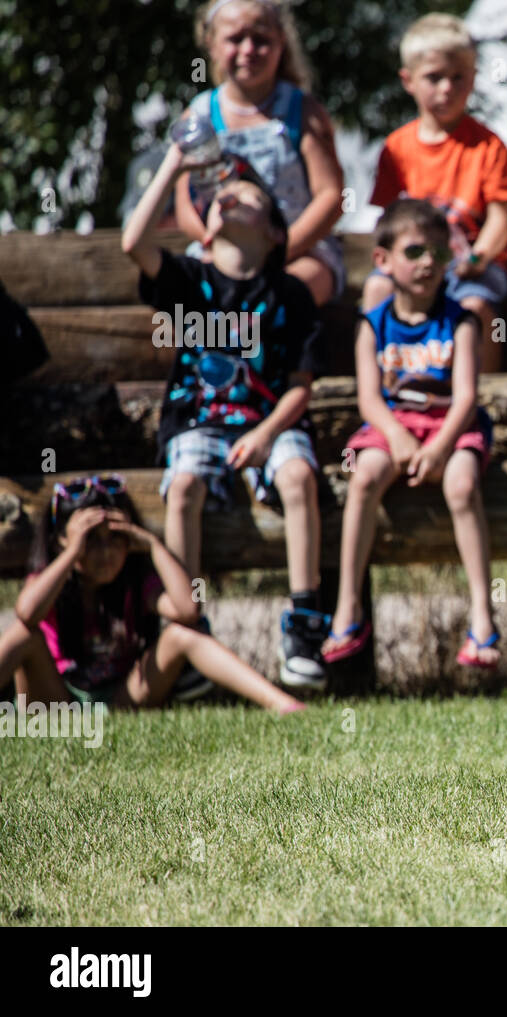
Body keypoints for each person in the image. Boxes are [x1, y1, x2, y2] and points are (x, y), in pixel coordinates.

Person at [122, 144, 330, 689]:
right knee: (184, 486)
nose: (230, 194)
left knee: (299, 476)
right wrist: (173, 167)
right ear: (207, 228)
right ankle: (193, 637)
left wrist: (265, 435)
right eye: (221, 195)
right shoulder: (189, 281)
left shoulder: (290, 295)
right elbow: (133, 243)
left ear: (275, 232)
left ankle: (305, 630)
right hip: (197, 424)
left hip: (271, 423)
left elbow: (299, 388)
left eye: (249, 194)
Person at [322, 200, 499, 669]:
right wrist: (399, 440)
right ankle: (347, 608)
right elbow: (369, 400)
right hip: (392, 425)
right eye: (415, 251)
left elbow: (465, 398)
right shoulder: (372, 324)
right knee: (363, 478)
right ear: (382, 260)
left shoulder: (460, 320)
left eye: (439, 254)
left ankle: (482, 617)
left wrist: (439, 449)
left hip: (450, 426)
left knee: (461, 485)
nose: (427, 263)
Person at [0, 476, 302, 714]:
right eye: (91, 540)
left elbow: (187, 611)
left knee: (182, 634)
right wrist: (72, 552)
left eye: (115, 539)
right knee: (21, 634)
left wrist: (154, 545)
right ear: (60, 541)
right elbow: (27, 613)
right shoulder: (54, 580)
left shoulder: (136, 583)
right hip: (55, 703)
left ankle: (284, 705)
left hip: (122, 699)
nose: (105, 552)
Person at [367, 13, 507, 374]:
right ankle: (385, 391)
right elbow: (387, 224)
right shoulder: (397, 149)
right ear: (408, 81)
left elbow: (499, 221)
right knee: (376, 292)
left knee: (477, 310)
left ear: (473, 79)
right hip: (414, 261)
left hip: (472, 266)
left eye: (458, 77)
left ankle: (489, 397)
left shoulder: (488, 145)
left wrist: (476, 259)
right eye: (434, 78)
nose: (446, 88)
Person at [174, 0, 345, 306]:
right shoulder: (198, 117)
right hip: (221, 251)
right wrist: (218, 248)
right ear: (211, 44)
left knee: (286, 298)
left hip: (299, 252)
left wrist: (281, 249)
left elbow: (330, 196)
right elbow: (185, 204)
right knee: (193, 296)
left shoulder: (304, 112)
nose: (249, 50)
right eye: (235, 39)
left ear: (281, 43)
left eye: (262, 40)